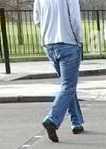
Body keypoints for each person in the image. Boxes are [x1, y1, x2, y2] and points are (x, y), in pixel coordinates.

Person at [36, 0, 85, 140]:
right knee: (68, 86)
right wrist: (79, 40)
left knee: (67, 85)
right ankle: (52, 119)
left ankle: (76, 122)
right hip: (68, 43)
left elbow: (37, 19)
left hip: (49, 44)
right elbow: (74, 19)